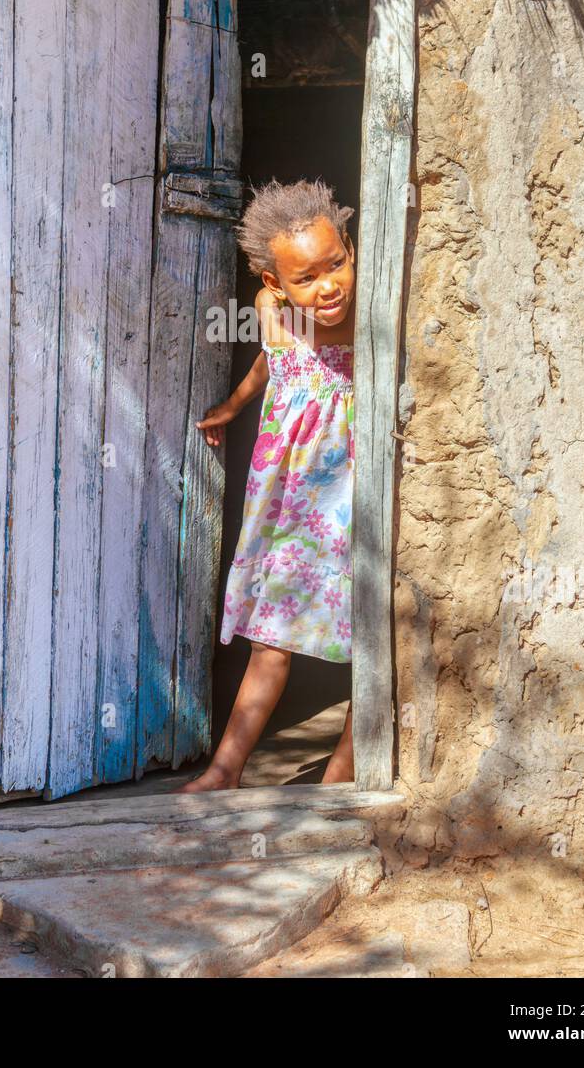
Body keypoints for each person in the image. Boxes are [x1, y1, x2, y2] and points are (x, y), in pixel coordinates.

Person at [178, 178, 356, 792]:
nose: (328, 285)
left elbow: (304, 337)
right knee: (269, 640)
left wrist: (280, 304)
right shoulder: (276, 311)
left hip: (352, 505)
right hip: (291, 509)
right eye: (306, 277)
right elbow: (270, 360)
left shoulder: (360, 321)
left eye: (337, 264)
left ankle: (343, 771)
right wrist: (232, 405)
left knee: (374, 633)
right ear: (277, 282)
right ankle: (225, 768)